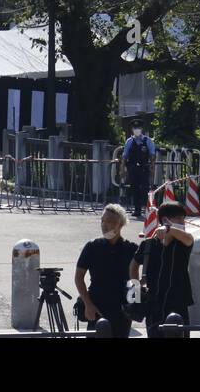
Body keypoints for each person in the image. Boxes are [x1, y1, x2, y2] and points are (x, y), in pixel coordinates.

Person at [130, 200, 193, 336]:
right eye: (179, 219)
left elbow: (189, 239)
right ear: (165, 219)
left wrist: (169, 229)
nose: (183, 223)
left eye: (183, 219)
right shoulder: (148, 245)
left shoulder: (183, 242)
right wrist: (136, 290)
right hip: (154, 303)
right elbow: (133, 266)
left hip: (179, 302)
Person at [75, 204, 138, 338]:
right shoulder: (92, 246)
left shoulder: (131, 248)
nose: (104, 225)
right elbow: (79, 277)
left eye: (109, 222)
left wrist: (135, 305)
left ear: (120, 225)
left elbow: (136, 279)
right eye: (102, 221)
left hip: (122, 310)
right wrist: (88, 304)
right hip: (97, 307)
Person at [122, 119, 155, 219]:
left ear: (142, 129)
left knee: (145, 188)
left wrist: (152, 167)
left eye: (138, 128)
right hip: (132, 168)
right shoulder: (129, 141)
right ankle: (137, 209)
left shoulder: (147, 141)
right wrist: (122, 168)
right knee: (134, 188)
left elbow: (152, 155)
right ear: (132, 129)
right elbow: (125, 155)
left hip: (144, 167)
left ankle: (145, 208)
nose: (137, 130)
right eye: (135, 128)